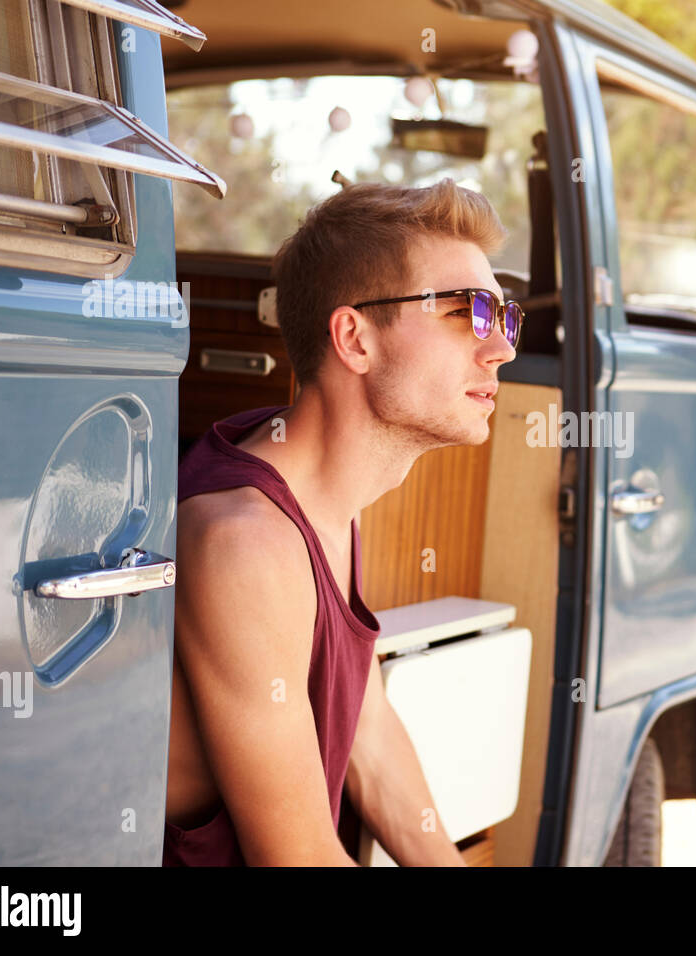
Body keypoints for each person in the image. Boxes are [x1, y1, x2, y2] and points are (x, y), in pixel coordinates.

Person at [163, 179, 520, 865]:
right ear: (355, 338)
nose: (500, 348)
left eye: (505, 319)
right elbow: (296, 857)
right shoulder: (247, 543)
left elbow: (370, 735)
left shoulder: (323, 505)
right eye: (470, 313)